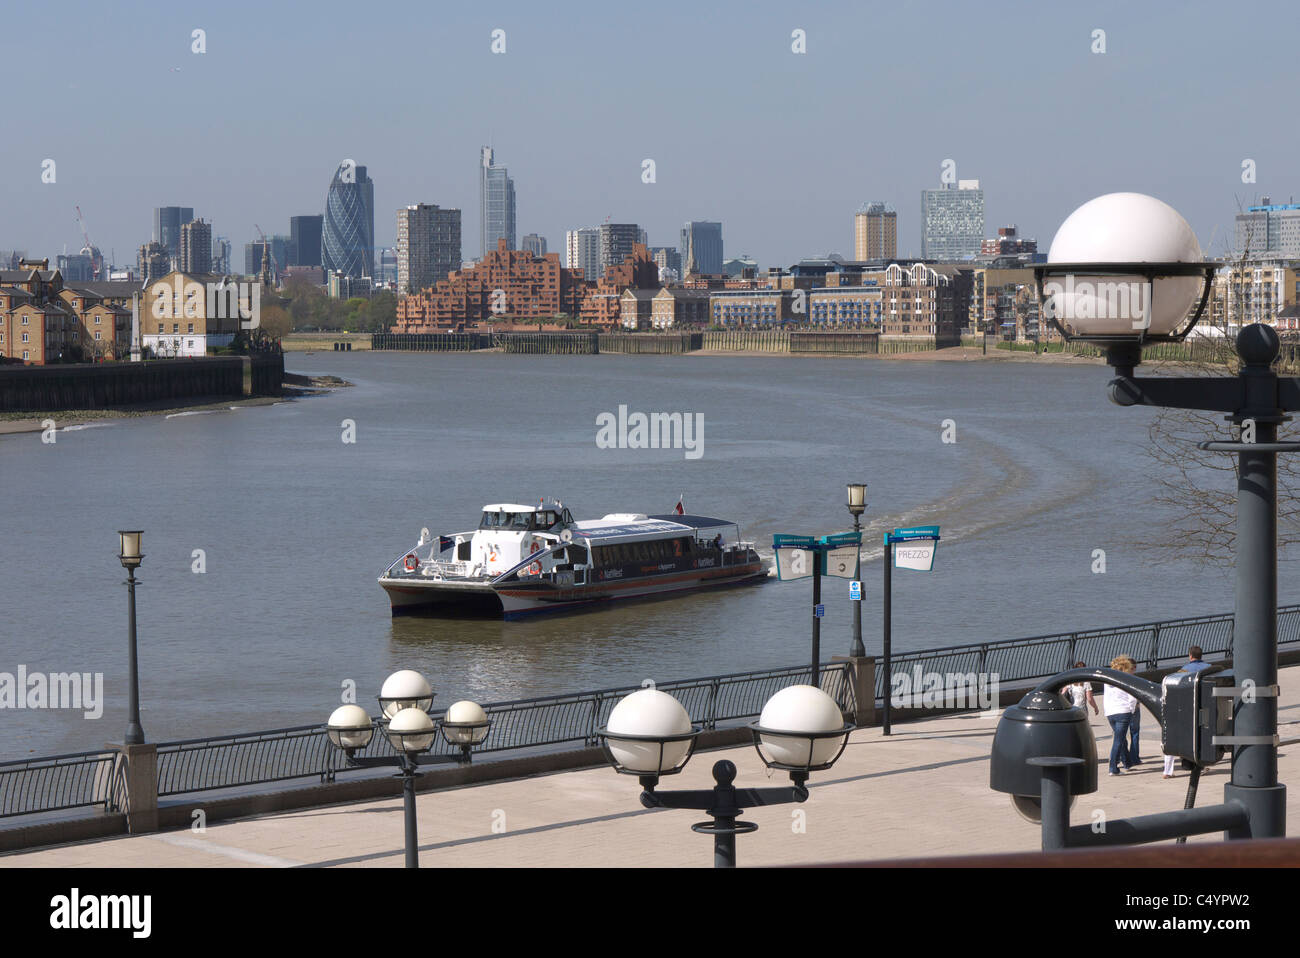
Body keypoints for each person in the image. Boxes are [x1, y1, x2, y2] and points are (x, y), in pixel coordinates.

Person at [1163, 646, 1214, 778]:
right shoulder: (1210, 668)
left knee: (1180, 735)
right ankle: (1200, 764)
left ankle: (1170, 770)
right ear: (1201, 655)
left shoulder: (1184, 669)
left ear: (1190, 655)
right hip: (1206, 706)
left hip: (1188, 706)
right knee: (1202, 736)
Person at [1103, 655, 1139, 775]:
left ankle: (1127, 762)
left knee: (1121, 738)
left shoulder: (1108, 680)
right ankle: (1113, 767)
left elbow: (1106, 697)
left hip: (1110, 712)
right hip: (1123, 712)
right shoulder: (1127, 678)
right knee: (1118, 740)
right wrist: (1132, 710)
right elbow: (1132, 698)